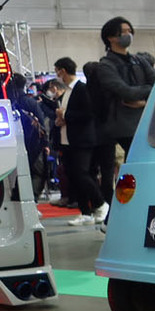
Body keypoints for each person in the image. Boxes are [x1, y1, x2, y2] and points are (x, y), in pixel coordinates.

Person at [88, 17, 155, 229]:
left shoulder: (139, 60)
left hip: (144, 122)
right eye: (123, 31)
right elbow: (123, 91)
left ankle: (118, 219)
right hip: (123, 126)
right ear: (111, 37)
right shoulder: (105, 66)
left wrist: (142, 99)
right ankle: (115, 219)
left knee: (135, 172)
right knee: (134, 171)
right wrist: (145, 92)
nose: (128, 34)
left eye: (129, 30)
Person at [53, 57, 101, 225]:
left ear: (63, 71)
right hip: (67, 140)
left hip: (82, 140)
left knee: (82, 174)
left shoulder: (81, 88)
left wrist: (64, 115)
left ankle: (100, 203)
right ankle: (85, 212)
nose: (57, 75)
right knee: (73, 176)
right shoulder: (66, 92)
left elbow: (88, 114)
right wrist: (60, 119)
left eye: (57, 71)